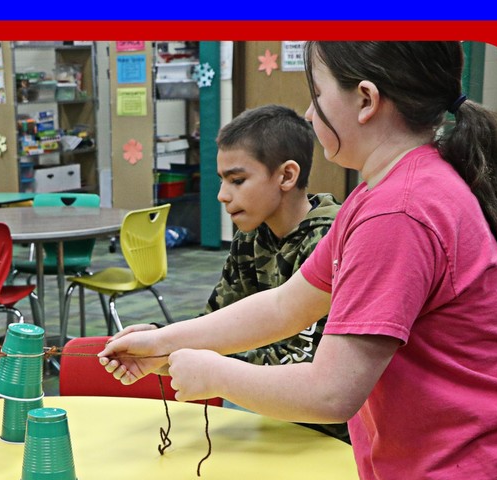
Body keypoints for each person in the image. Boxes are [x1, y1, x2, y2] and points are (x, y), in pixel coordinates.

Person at [99, 41, 497, 480]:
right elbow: (285, 305)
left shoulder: (399, 211)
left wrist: (215, 374)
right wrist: (164, 341)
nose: (309, 112)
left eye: (318, 93)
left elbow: (332, 392)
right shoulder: (382, 192)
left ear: (365, 100)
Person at [114, 104, 348, 442]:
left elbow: (302, 362)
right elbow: (218, 323)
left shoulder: (330, 240)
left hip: (335, 437)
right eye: (222, 181)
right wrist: (162, 342)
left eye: (237, 181)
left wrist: (191, 357)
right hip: (273, 424)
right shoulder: (251, 237)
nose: (223, 195)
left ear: (286, 176)